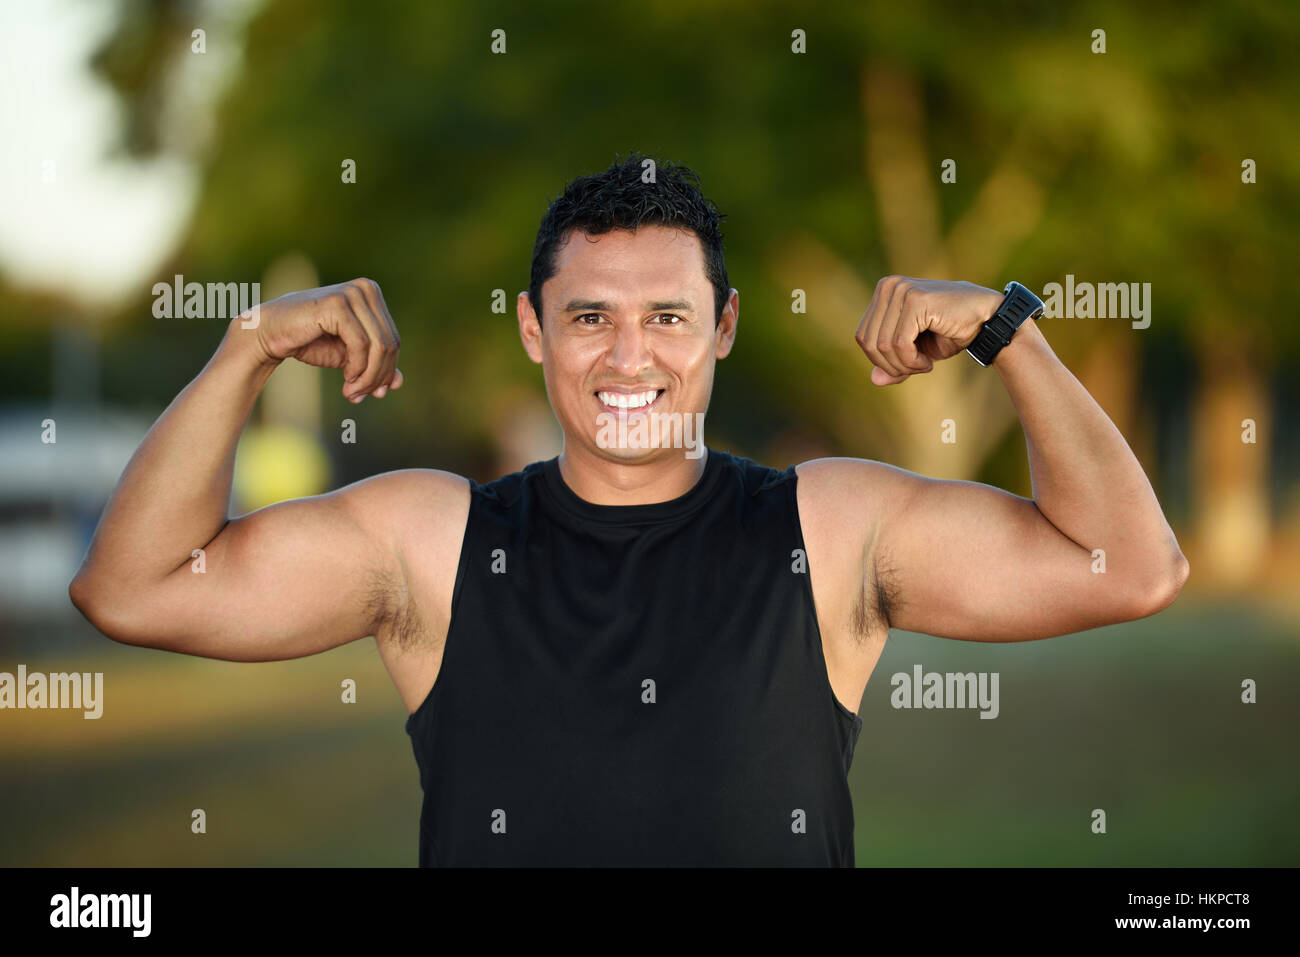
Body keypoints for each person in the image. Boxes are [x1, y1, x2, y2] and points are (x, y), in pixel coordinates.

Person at [69, 153, 1188, 866]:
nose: (628, 356)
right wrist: (246, 347)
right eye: (591, 316)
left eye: (667, 316)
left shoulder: (829, 528)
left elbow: (1128, 568)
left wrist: (1011, 333)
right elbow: (132, 588)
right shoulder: (433, 542)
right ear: (532, 330)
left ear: (725, 327)